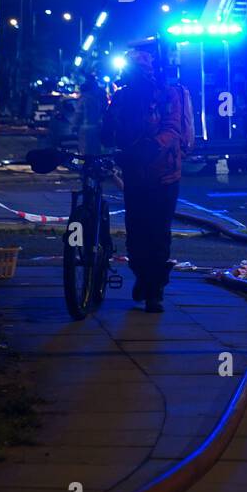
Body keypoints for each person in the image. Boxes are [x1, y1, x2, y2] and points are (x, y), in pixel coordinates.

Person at [101, 45, 184, 314]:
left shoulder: (168, 95)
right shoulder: (123, 97)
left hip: (164, 175)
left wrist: (149, 149)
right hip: (136, 175)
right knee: (136, 232)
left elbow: (173, 128)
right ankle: (142, 277)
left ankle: (154, 291)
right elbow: (110, 127)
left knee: (158, 233)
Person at [77, 74, 107, 156]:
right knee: (96, 150)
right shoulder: (99, 94)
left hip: (86, 127)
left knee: (84, 152)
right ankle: (96, 166)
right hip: (98, 126)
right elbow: (104, 108)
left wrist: (74, 126)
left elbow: (78, 113)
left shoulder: (84, 98)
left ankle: (83, 165)